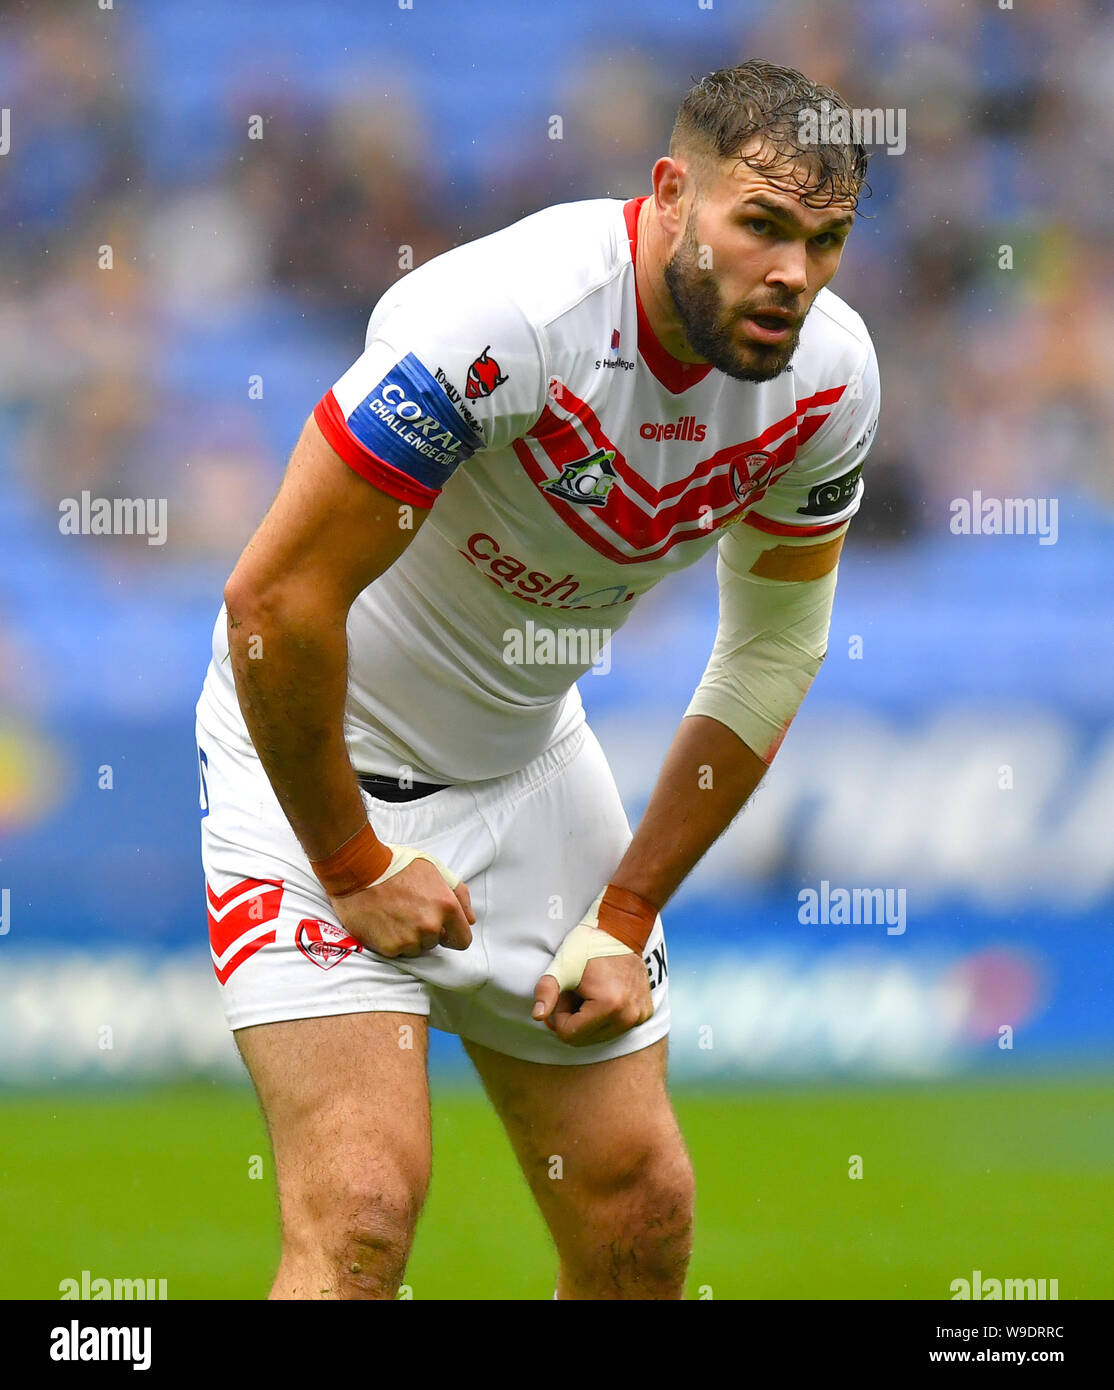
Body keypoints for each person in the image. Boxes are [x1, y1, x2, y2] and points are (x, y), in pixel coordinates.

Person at [195, 58, 880, 1300]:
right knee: (361, 1217)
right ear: (671, 193)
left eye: (825, 240)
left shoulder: (828, 383)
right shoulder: (508, 320)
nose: (793, 272)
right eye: (761, 226)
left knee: (639, 1218)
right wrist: (353, 865)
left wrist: (622, 914)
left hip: (526, 764)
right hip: (311, 772)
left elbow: (773, 647)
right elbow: (273, 601)